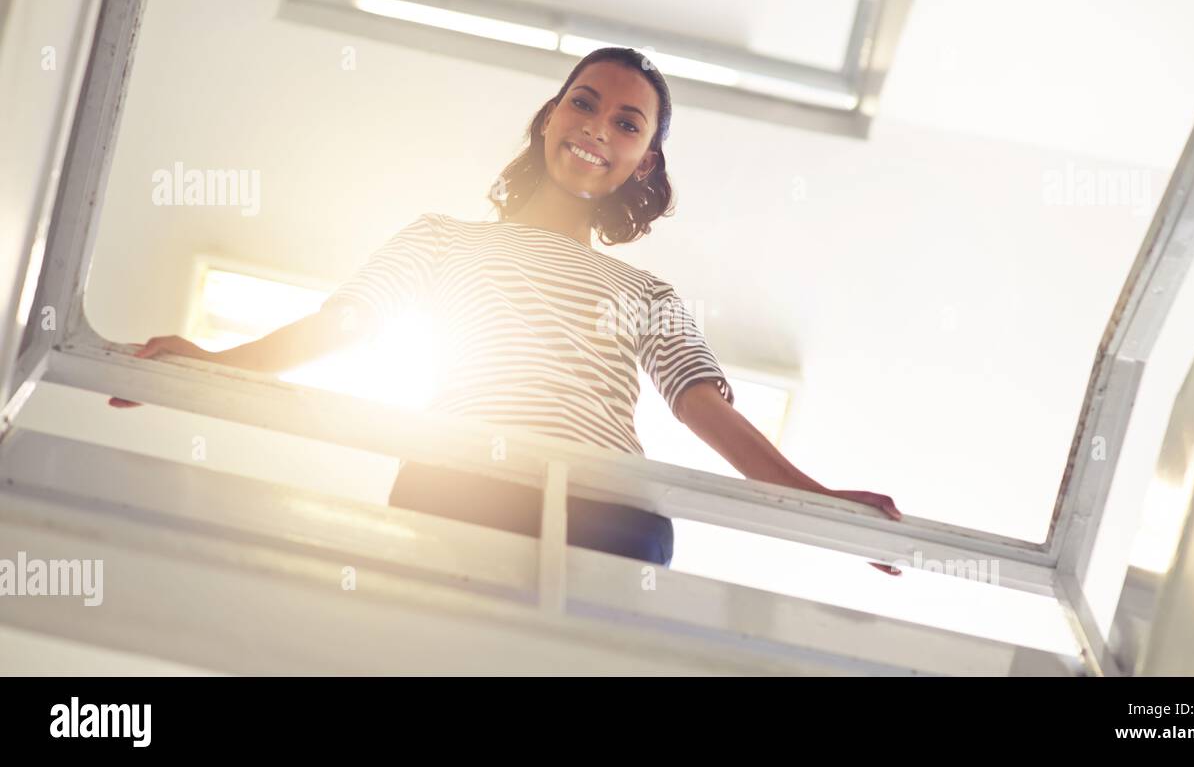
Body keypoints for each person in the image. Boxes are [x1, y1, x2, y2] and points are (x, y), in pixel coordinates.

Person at [112, 47, 901, 569]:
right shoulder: (441, 239)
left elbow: (703, 408)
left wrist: (817, 501)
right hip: (458, 486)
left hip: (610, 516)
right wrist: (215, 367)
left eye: (626, 123)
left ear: (644, 160)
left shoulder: (648, 294)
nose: (597, 128)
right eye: (583, 105)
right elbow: (343, 326)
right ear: (550, 117)